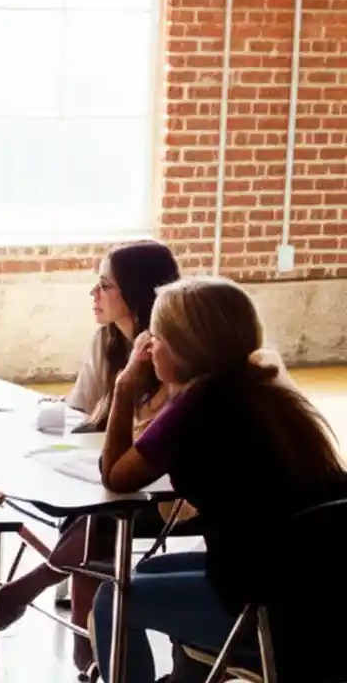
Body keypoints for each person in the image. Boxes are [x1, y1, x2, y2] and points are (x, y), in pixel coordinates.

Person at [92, 277, 347, 683]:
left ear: (184, 349)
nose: (150, 346)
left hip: (270, 609)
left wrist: (124, 388)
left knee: (113, 599)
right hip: (324, 585)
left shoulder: (195, 409)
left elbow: (117, 476)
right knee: (149, 573)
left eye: (157, 338)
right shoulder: (270, 392)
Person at [0, 241, 182, 671]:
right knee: (90, 511)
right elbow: (82, 414)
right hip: (117, 474)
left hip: (164, 491)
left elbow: (158, 443)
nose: (93, 295)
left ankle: (37, 595)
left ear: (135, 293)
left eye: (103, 286)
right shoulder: (107, 342)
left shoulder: (171, 353)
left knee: (97, 516)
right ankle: (86, 647)